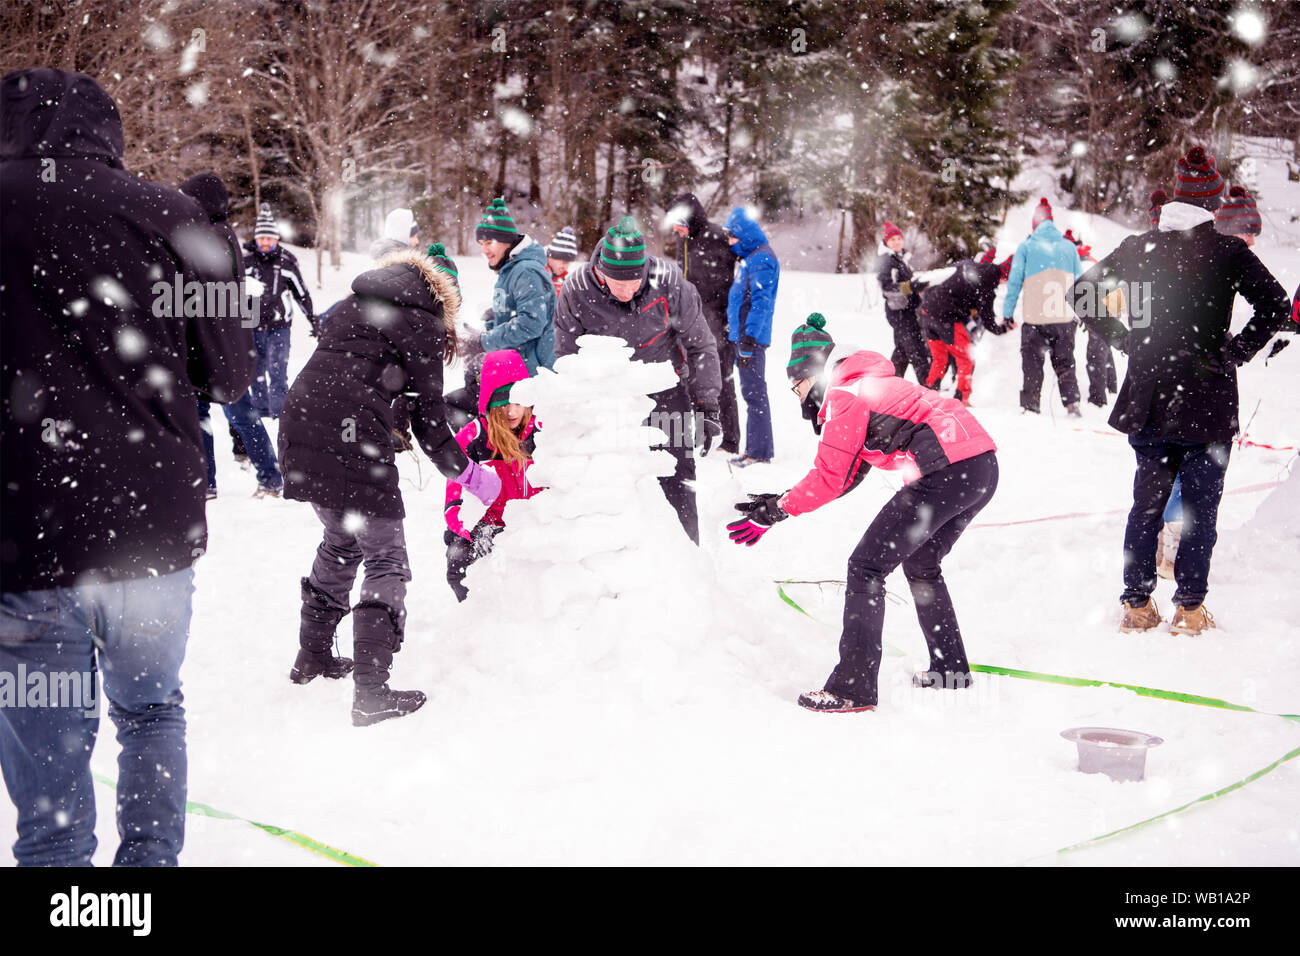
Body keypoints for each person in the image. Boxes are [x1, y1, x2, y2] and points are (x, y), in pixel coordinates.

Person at [1, 68, 256, 865]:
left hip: (26, 528)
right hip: (146, 524)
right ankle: (146, 876)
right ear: (106, 133)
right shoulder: (173, 215)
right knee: (149, 711)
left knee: (50, 741)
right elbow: (232, 375)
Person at [1069, 146, 1292, 636]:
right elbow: (1278, 306)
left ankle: (1135, 605)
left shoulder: (1138, 247)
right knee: (1199, 508)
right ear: (1212, 204)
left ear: (1173, 201)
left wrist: (1125, 339)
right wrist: (1237, 350)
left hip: (1149, 397)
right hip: (1208, 398)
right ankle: (1189, 610)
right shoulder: (1228, 250)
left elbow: (1080, 294)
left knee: (1146, 505)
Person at [725, 314, 998, 712]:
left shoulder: (845, 394)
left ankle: (852, 687)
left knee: (866, 567)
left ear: (813, 374)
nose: (797, 395)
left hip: (946, 472)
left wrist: (776, 512)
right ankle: (949, 670)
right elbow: (849, 474)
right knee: (921, 563)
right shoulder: (872, 384)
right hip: (980, 468)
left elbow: (831, 476)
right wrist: (783, 499)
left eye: (795, 385)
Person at [279, 246, 502, 725]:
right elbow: (430, 418)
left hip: (299, 425)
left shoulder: (351, 303)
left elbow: (351, 370)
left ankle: (312, 657)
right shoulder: (421, 322)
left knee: (342, 539)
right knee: (386, 557)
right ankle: (372, 693)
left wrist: (384, 411)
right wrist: (468, 474)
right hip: (352, 438)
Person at [555, 215, 722, 544]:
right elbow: (566, 357)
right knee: (611, 480)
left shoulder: (669, 281)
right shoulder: (577, 289)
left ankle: (687, 555)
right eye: (619, 283)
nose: (627, 292)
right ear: (602, 271)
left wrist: (707, 407)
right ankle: (618, 559)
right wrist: (569, 413)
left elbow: (700, 345)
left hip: (663, 390)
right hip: (606, 397)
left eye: (634, 282)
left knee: (676, 474)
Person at [179, 172, 284, 497]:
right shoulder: (216, 232)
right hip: (211, 339)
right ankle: (206, 481)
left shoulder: (214, 235)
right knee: (203, 413)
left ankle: (269, 476)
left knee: (238, 411)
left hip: (218, 342)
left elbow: (210, 290)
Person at [444, 350, 543, 601]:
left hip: (534, 524)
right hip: (487, 526)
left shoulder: (544, 431)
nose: (511, 412)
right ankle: (477, 620)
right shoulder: (472, 438)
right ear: (489, 404)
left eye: (517, 403)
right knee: (459, 567)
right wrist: (475, 531)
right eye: (501, 405)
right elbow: (453, 502)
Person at [669, 192, 740, 454]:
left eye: (679, 222)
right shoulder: (684, 240)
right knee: (692, 381)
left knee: (722, 381)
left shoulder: (719, 237)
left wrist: (726, 319)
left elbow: (737, 278)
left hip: (718, 322)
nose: (675, 229)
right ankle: (701, 435)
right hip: (691, 323)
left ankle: (730, 441)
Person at [1003, 198, 1085, 417]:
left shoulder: (1026, 247)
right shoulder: (1069, 247)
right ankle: (1072, 404)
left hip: (1035, 318)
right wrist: (1085, 312)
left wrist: (1007, 313)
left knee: (1032, 364)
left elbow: (1014, 283)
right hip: (1063, 317)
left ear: (1035, 224)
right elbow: (1080, 282)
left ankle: (1031, 405)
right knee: (1066, 362)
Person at [460, 197, 556, 376]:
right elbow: (513, 315)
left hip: (532, 375)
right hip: (515, 365)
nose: (484, 250)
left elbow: (530, 324)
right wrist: (490, 325)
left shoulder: (526, 271)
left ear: (506, 241)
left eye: (489, 243)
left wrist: (485, 341)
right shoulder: (510, 270)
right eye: (482, 244)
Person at [243, 203, 316, 418]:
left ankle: (279, 413)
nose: (265, 243)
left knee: (277, 371)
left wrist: (313, 320)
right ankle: (260, 411)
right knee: (255, 371)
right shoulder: (245, 262)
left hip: (279, 327)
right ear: (256, 239)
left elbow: (302, 293)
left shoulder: (287, 263)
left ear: (276, 239)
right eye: (262, 238)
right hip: (252, 325)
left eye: (270, 238)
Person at [724, 206, 780, 466]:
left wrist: (748, 338)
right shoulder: (750, 258)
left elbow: (761, 301)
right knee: (750, 392)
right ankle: (754, 448)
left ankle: (759, 451)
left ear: (744, 235)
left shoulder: (761, 259)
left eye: (732, 236)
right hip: (744, 336)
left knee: (755, 393)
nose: (730, 242)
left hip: (751, 340)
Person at [919, 247, 1010, 404]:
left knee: (939, 359)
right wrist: (1000, 329)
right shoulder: (987, 285)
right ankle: (962, 398)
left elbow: (945, 275)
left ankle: (928, 394)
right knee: (966, 358)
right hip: (946, 318)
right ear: (1005, 277)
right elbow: (987, 319)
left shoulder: (968, 265)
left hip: (927, 312)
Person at [1063, 228, 1118, 408]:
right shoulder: (1088, 259)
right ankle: (1111, 387)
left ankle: (1098, 398)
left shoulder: (1077, 264)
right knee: (1103, 348)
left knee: (1095, 354)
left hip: (1101, 306)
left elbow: (1079, 295)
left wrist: (1083, 318)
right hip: (1110, 304)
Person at [876, 221, 931, 383]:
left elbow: (907, 283)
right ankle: (929, 387)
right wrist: (910, 286)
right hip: (899, 312)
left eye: (899, 239)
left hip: (908, 311)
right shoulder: (887, 261)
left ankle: (890, 387)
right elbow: (887, 288)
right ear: (886, 242)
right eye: (892, 240)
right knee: (917, 350)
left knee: (902, 352)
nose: (896, 242)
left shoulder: (901, 259)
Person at [546, 225, 580, 295]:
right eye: (563, 262)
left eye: (568, 263)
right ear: (551, 257)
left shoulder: (564, 283)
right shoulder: (538, 276)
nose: (564, 267)